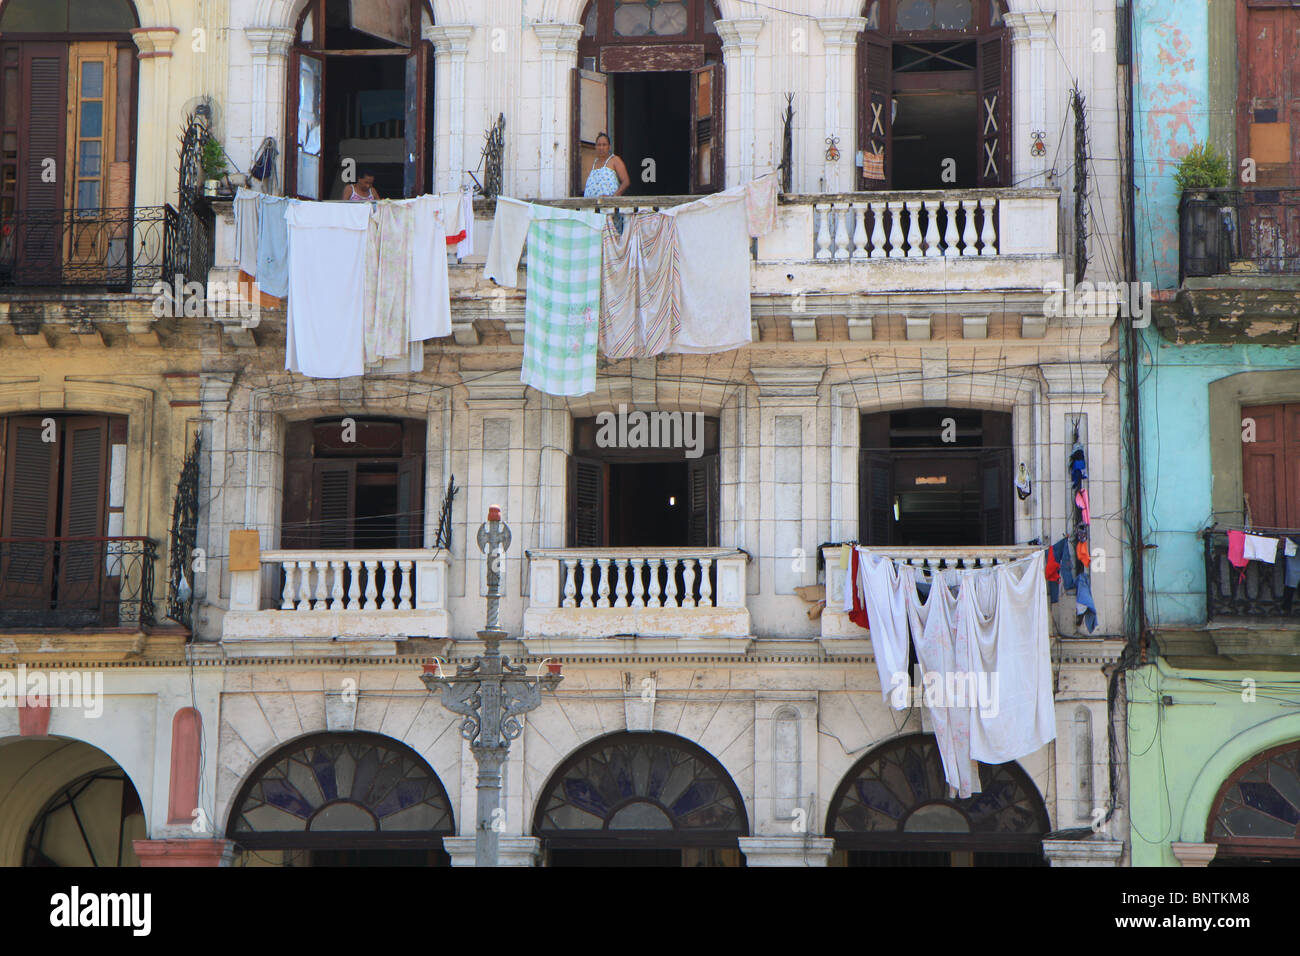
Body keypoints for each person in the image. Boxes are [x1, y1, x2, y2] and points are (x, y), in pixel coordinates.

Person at [583, 133, 629, 198]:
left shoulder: (615, 160)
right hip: (590, 205)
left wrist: (613, 197)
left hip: (608, 205)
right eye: (599, 145)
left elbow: (626, 182)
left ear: (609, 147)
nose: (601, 148)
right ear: (595, 147)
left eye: (604, 145)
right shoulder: (593, 163)